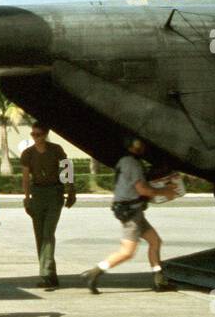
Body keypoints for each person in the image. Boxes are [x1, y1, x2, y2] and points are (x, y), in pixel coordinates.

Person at [84, 136, 175, 294]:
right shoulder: (132, 164)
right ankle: (94, 272)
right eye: (139, 145)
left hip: (134, 211)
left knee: (155, 241)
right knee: (127, 252)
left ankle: (159, 280)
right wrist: (164, 191)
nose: (142, 148)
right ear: (132, 147)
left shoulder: (125, 161)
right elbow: (143, 190)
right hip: (131, 213)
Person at [20, 122, 76, 290]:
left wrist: (71, 191)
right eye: (33, 134)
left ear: (45, 135)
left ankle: (45, 273)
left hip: (54, 194)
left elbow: (67, 169)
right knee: (39, 235)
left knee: (48, 233)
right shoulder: (28, 153)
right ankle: (51, 276)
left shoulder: (56, 149)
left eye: (38, 134)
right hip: (37, 195)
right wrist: (26, 198)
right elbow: (25, 177)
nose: (35, 138)